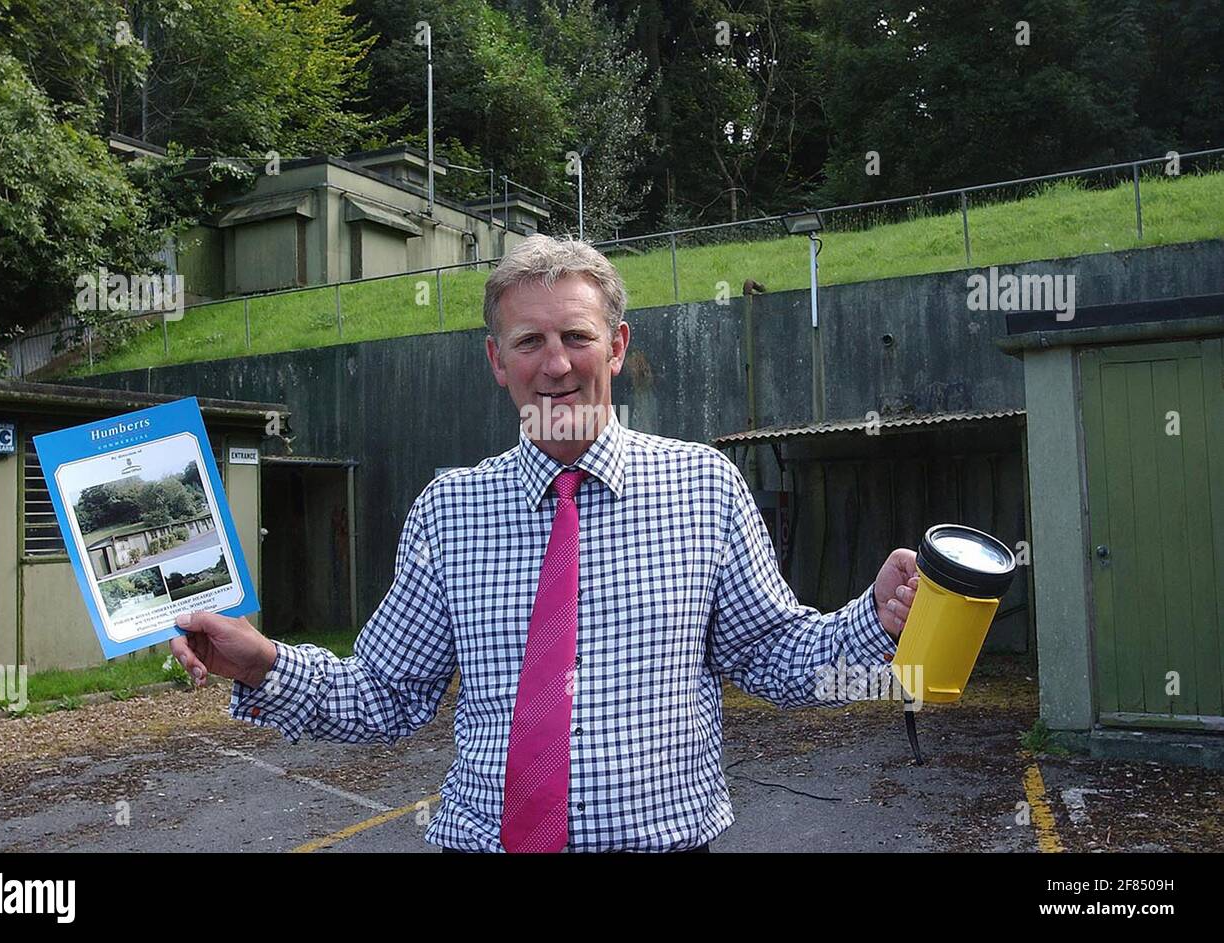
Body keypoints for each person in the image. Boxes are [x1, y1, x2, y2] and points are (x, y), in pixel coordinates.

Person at [171, 234, 920, 853]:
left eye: (576, 336)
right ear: (498, 360)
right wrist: (265, 662)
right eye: (529, 340)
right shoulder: (449, 511)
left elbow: (771, 653)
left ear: (617, 346)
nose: (556, 364)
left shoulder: (705, 488)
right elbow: (386, 695)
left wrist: (874, 621)